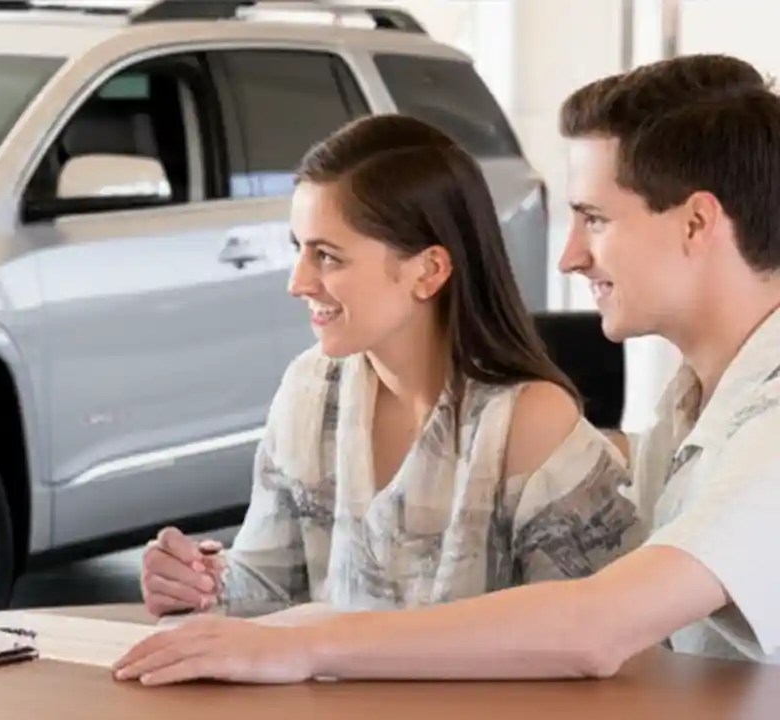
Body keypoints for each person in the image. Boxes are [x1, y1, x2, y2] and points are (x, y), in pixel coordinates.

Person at [116, 53, 780, 686]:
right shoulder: (687, 406)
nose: (568, 257)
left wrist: (302, 643)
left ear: (697, 222)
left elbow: (598, 626)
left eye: (594, 219)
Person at [138, 114, 640, 625]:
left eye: (327, 256)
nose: (298, 282)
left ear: (429, 271)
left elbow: (589, 634)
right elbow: (269, 585)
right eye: (299, 250)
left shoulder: (530, 423)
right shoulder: (310, 389)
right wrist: (202, 584)